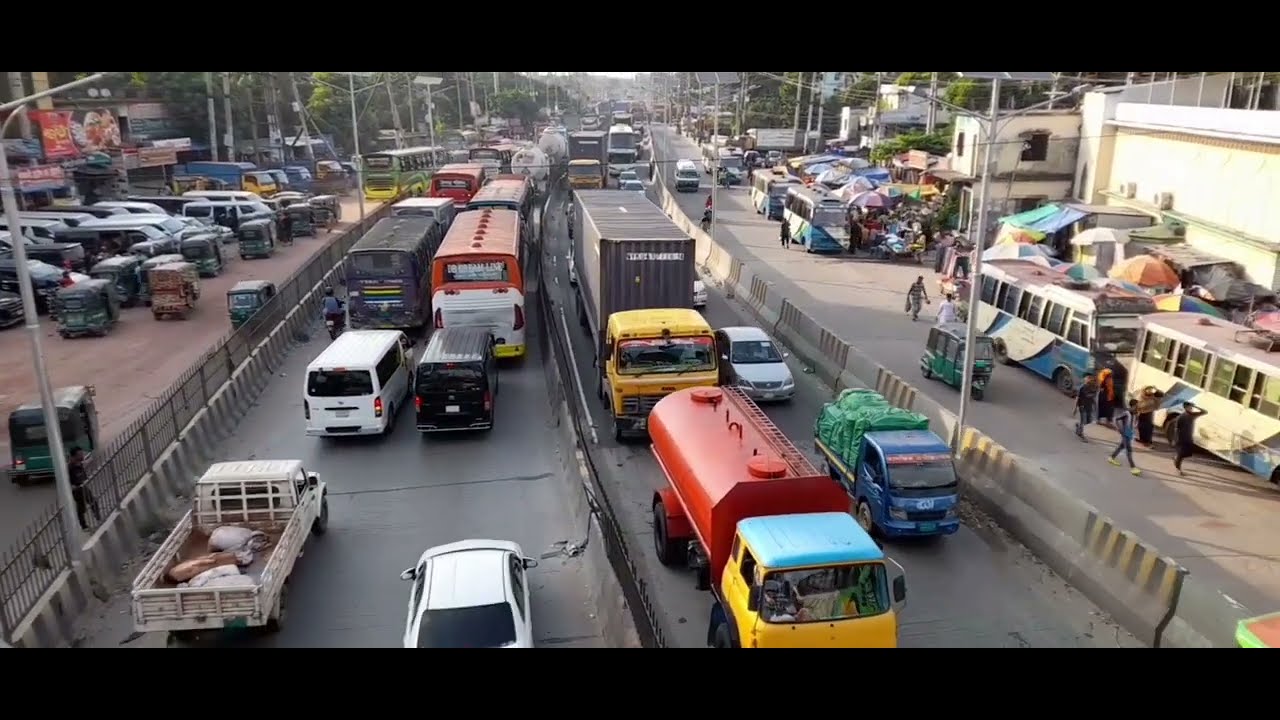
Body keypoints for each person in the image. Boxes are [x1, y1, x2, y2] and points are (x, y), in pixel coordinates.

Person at [1106, 398, 1142, 476]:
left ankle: (1111, 458)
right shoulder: (1126, 413)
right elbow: (1115, 419)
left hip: (1130, 433)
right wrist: (1119, 429)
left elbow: (1134, 424)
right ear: (1132, 406)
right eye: (1136, 406)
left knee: (1121, 446)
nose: (1137, 407)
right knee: (1129, 450)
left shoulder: (1135, 414)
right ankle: (1133, 468)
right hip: (1125, 433)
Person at [1173, 402, 1208, 476]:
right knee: (1181, 454)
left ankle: (1176, 459)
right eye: (1189, 407)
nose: (1191, 408)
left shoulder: (1193, 415)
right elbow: (1176, 429)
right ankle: (1178, 469)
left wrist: (1196, 407)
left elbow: (1205, 412)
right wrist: (1176, 439)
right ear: (1185, 408)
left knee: (1186, 453)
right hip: (1182, 438)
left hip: (1189, 437)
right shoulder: (1181, 417)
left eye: (1191, 407)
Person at [68, 446, 99, 530]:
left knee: (93, 501)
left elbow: (86, 463)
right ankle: (83, 525)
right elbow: (67, 480)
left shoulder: (79, 464)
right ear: (74, 456)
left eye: (82, 454)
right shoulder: (70, 467)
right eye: (79, 454)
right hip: (77, 489)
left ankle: (98, 518)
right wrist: (72, 486)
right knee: (81, 508)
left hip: (83, 486)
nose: (82, 456)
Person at [1074, 373, 1098, 440]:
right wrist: (1075, 408)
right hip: (1082, 406)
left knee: (1089, 421)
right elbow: (1077, 398)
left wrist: (1095, 407)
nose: (1088, 379)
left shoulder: (1093, 388)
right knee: (1084, 420)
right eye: (1087, 378)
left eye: (1090, 378)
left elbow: (1094, 398)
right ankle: (1082, 434)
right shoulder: (1082, 388)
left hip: (1089, 406)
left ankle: (1079, 427)